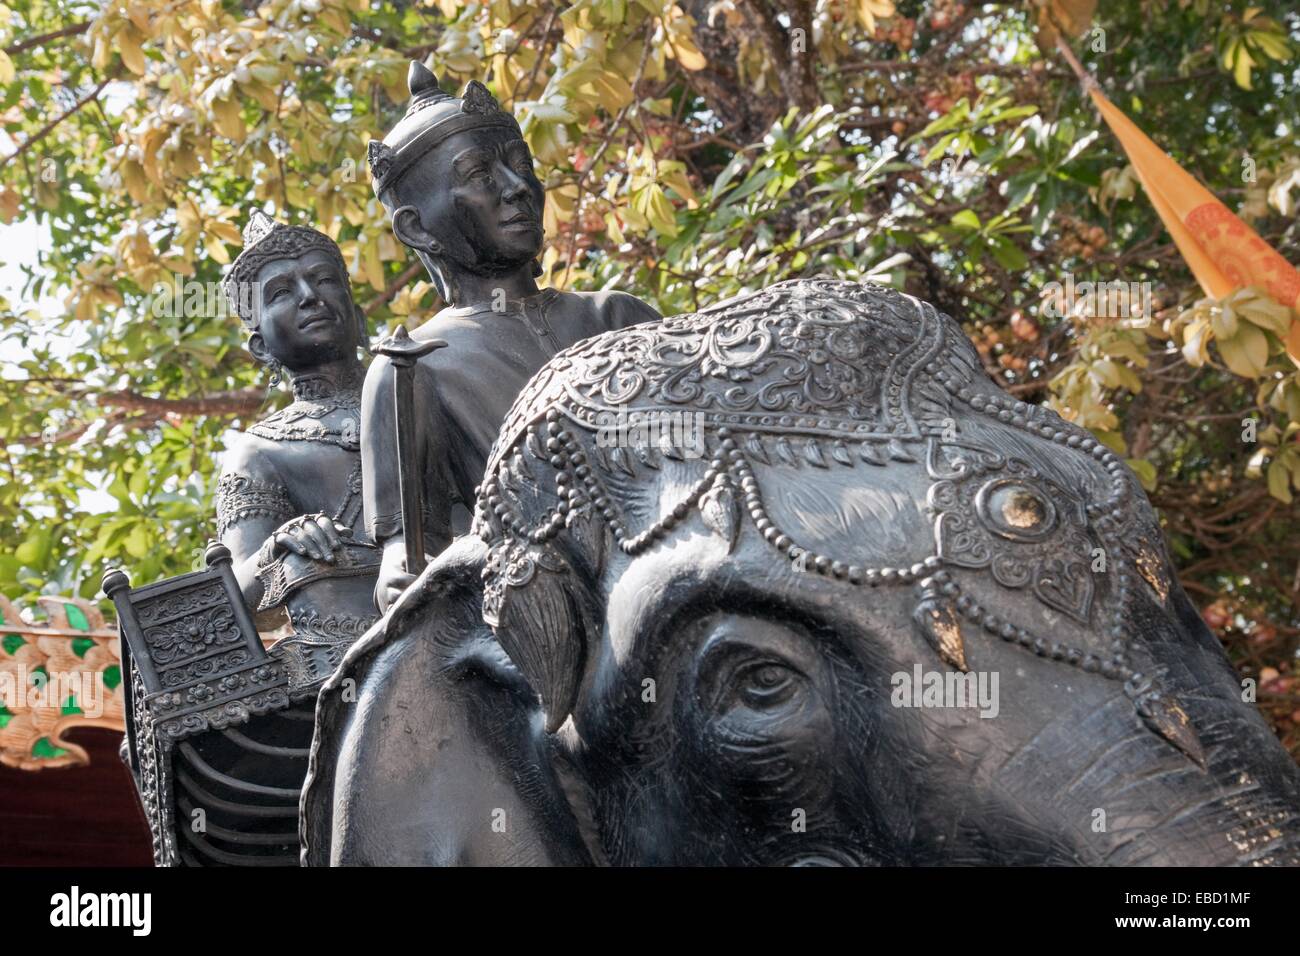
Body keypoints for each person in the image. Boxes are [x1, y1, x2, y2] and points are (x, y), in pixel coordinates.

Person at [363, 62, 660, 610]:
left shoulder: (619, 316)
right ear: (416, 227)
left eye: (520, 166)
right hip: (549, 603)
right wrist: (400, 582)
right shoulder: (412, 368)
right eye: (480, 176)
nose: (517, 187)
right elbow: (407, 550)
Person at [216, 210, 380, 691]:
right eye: (282, 292)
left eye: (324, 280)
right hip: (355, 648)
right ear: (260, 346)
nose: (310, 297)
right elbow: (236, 595)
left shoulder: (420, 387)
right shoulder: (259, 451)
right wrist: (280, 542)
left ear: (358, 314)